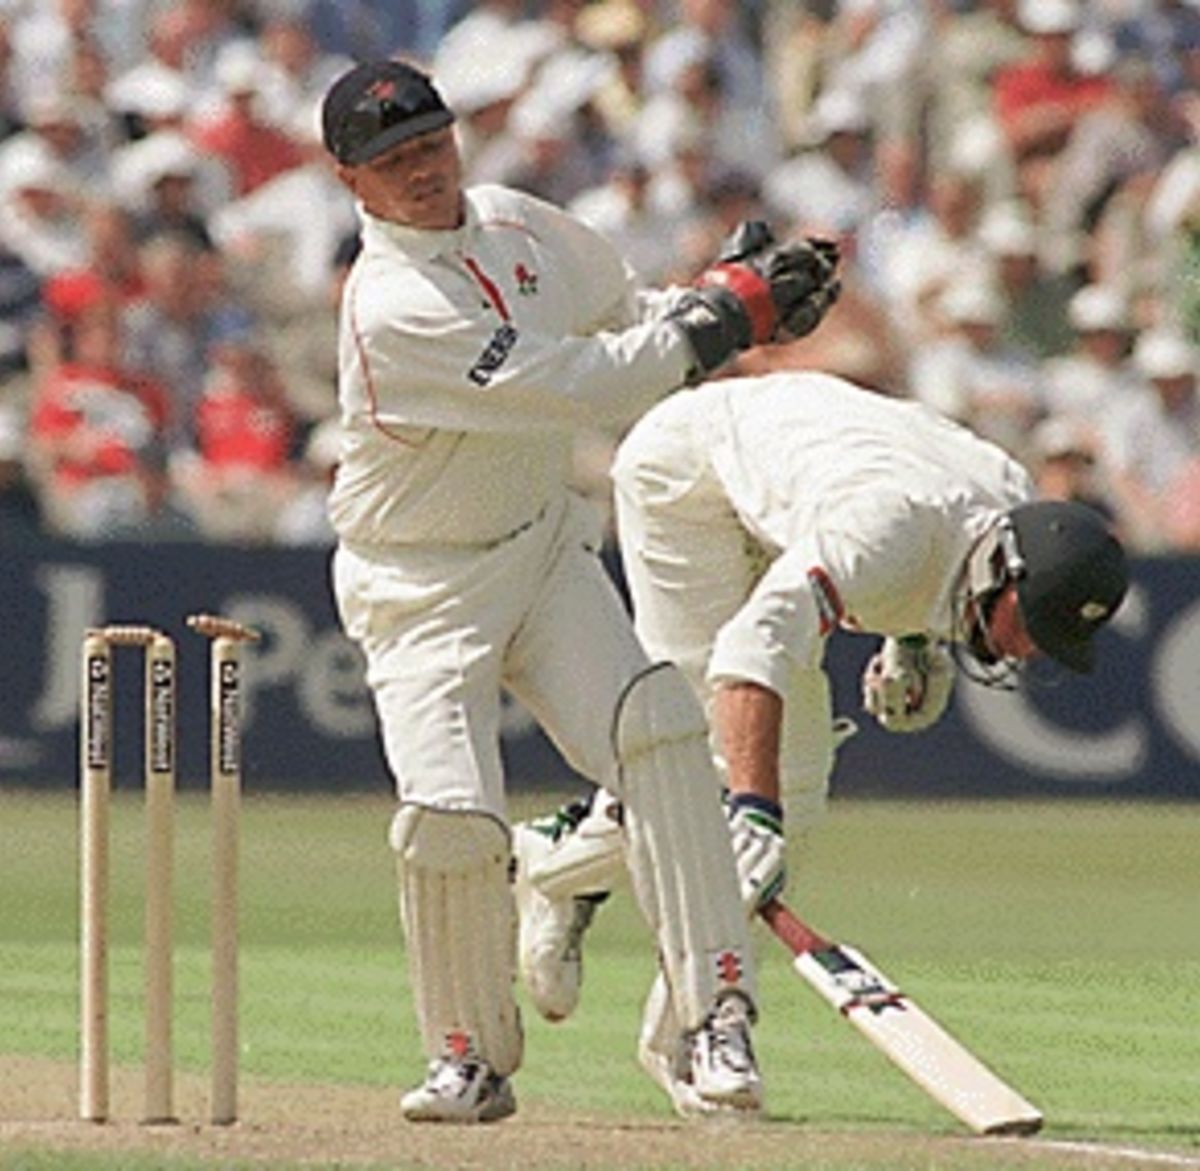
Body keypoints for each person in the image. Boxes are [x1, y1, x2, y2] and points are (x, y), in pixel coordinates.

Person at [318, 59, 841, 1125]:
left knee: (659, 734)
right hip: (417, 585)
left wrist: (718, 302)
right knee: (450, 822)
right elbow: (584, 383)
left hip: (542, 550)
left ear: (454, 136)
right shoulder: (390, 307)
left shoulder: (518, 222)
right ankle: (468, 1053)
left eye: (428, 145)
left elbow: (626, 315)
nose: (419, 172)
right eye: (390, 162)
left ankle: (714, 1016)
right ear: (351, 183)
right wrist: (724, 324)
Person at [516, 369, 1129, 1115]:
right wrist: (752, 808)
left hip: (792, 490)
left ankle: (567, 862)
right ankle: (698, 1016)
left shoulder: (1000, 505)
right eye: (1029, 628)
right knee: (735, 776)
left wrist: (913, 643)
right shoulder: (886, 532)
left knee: (790, 786)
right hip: (691, 482)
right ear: (1004, 574)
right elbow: (753, 646)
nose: (1028, 652)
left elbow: (926, 532)